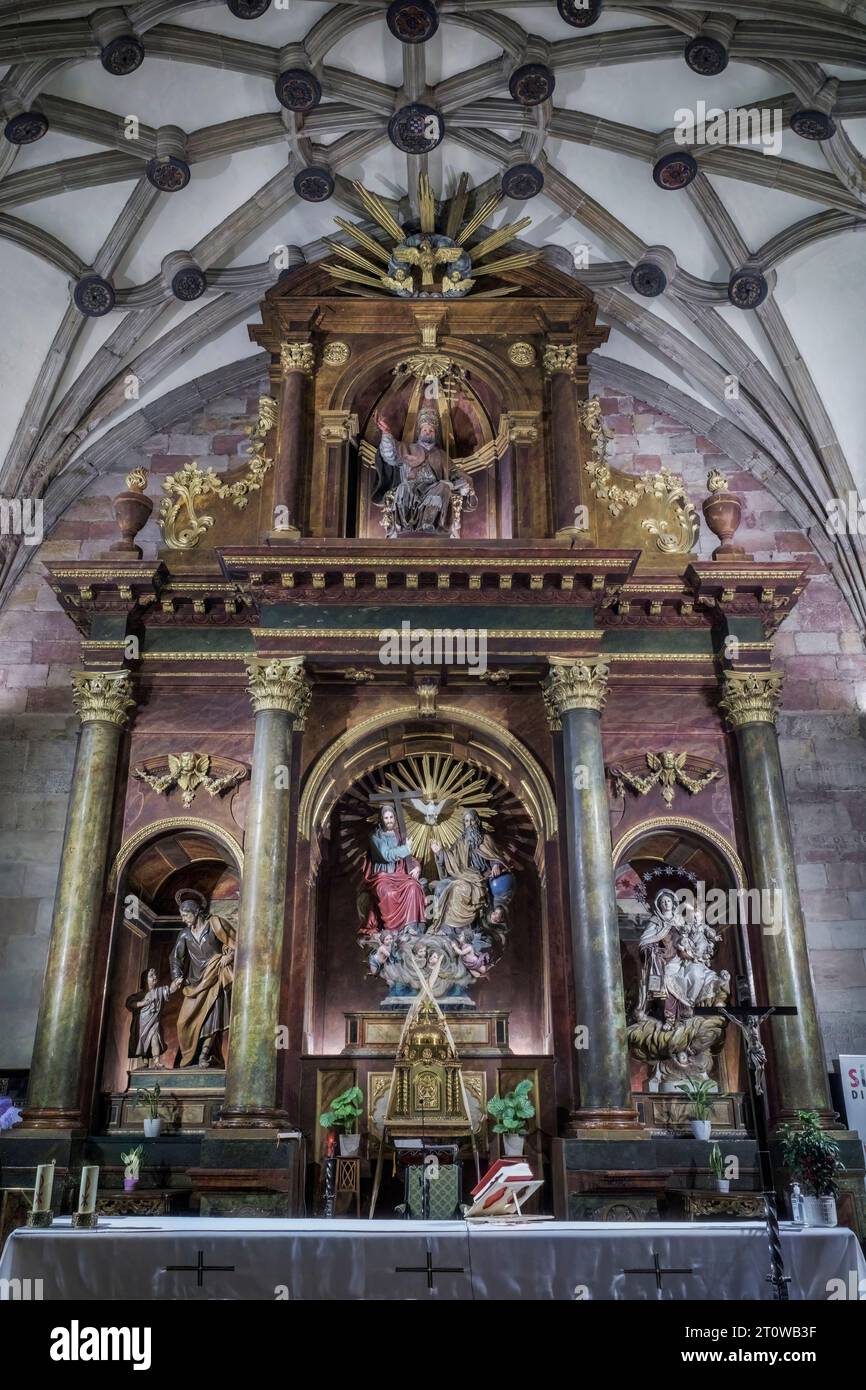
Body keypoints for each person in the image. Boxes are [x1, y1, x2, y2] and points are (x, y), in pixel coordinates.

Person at [374, 406, 470, 536]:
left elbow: (455, 473)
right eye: (425, 429)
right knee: (403, 488)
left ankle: (429, 525)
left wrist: (464, 483)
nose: (428, 432)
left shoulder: (442, 455)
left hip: (434, 488)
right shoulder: (408, 448)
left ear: (435, 434)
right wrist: (386, 433)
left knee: (443, 488)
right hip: (412, 487)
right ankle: (405, 527)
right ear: (420, 432)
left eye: (431, 430)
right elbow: (389, 454)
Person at [170, 889, 235, 1068]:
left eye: (185, 915)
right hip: (195, 983)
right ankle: (189, 1057)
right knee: (183, 1022)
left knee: (211, 1019)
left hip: (215, 977)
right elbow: (176, 957)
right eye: (182, 915)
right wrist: (177, 977)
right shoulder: (184, 934)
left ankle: (203, 1056)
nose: (183, 919)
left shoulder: (215, 924)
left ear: (196, 912)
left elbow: (235, 942)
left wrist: (228, 955)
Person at [430, 808, 507, 932]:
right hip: (461, 874)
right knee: (440, 887)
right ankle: (441, 927)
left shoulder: (486, 839)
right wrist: (440, 852)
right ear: (463, 824)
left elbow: (495, 856)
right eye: (466, 821)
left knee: (461, 889)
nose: (469, 824)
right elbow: (451, 857)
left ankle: (463, 929)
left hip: (480, 876)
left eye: (472, 820)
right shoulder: (460, 842)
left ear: (477, 822)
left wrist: (496, 865)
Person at [362, 803, 427, 935]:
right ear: (381, 819)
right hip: (383, 875)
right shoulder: (376, 836)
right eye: (386, 818)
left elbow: (409, 857)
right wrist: (406, 848)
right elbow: (387, 855)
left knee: (413, 886)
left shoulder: (400, 834)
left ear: (395, 818)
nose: (389, 820)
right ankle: (391, 930)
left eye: (391, 817)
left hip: (400, 874)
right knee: (388, 893)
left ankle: (411, 927)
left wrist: (417, 867)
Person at [126, 967, 182, 1068]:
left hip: (154, 1023)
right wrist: (141, 1003)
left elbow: (170, 990)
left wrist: (176, 983)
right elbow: (130, 1004)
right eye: (151, 976)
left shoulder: (159, 992)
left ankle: (156, 1061)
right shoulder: (139, 995)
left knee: (155, 1038)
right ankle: (145, 1063)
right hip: (142, 1024)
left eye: (155, 975)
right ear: (145, 980)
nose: (155, 977)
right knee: (143, 1043)